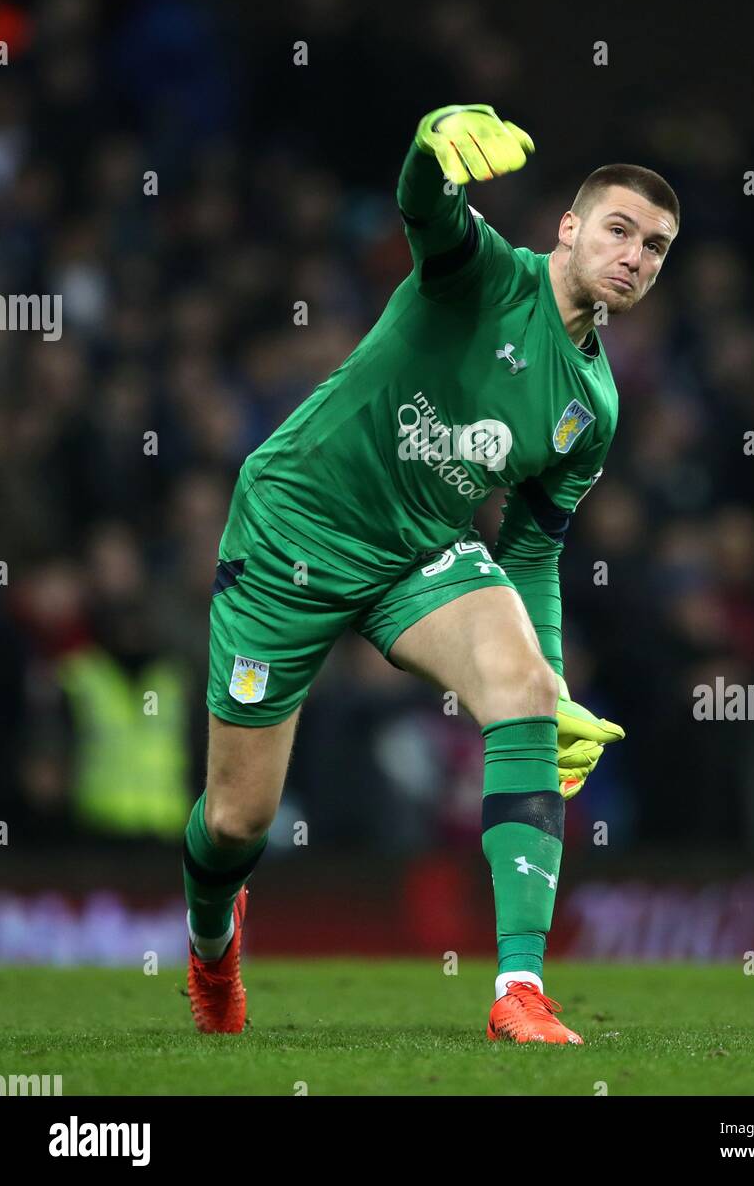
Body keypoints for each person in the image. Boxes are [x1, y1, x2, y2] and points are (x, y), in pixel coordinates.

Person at [183, 104, 679, 1043]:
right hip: (295, 525)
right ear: (568, 229)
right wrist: (427, 144)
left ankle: (519, 991)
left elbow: (532, 550)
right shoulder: (487, 273)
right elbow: (427, 211)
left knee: (523, 693)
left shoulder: (595, 406)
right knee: (240, 822)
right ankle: (213, 942)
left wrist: (556, 682)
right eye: (619, 229)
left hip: (418, 551)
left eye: (656, 247)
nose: (636, 257)